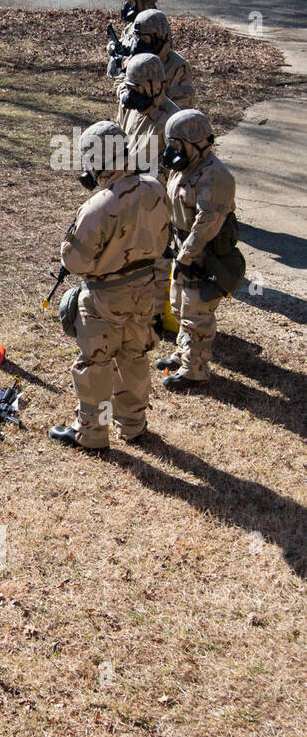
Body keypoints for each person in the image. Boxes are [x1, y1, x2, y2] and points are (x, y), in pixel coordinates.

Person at [49, 122, 171, 451]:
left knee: (96, 363)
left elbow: (76, 262)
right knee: (134, 355)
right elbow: (163, 242)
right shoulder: (156, 189)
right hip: (147, 288)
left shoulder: (98, 206)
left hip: (104, 297)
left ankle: (92, 433)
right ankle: (133, 425)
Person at [156, 109, 239, 391]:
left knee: (197, 312)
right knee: (179, 306)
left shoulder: (215, 176)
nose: (172, 152)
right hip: (183, 248)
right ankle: (183, 354)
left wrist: (187, 255)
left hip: (203, 253)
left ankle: (195, 370)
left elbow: (207, 223)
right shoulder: (186, 169)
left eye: (177, 145)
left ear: (198, 143)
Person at [115, 51, 182, 336]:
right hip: (129, 194)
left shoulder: (173, 121)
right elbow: (119, 136)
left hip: (158, 202)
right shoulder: (130, 107)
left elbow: (182, 170)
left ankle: (156, 314)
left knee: (158, 257)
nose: (131, 96)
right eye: (129, 88)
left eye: (137, 89)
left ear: (155, 86)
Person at [121, 9, 195, 106]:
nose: (139, 44)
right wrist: (125, 96)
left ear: (159, 39)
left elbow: (182, 106)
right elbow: (121, 82)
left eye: (145, 39)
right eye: (137, 38)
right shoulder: (136, 59)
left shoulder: (178, 67)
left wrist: (151, 106)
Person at [106, 0, 158, 77]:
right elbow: (125, 43)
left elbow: (148, 61)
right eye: (126, 2)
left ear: (144, 3)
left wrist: (125, 61)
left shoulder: (154, 28)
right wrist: (113, 48)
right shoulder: (133, 25)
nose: (126, 6)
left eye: (131, 2)